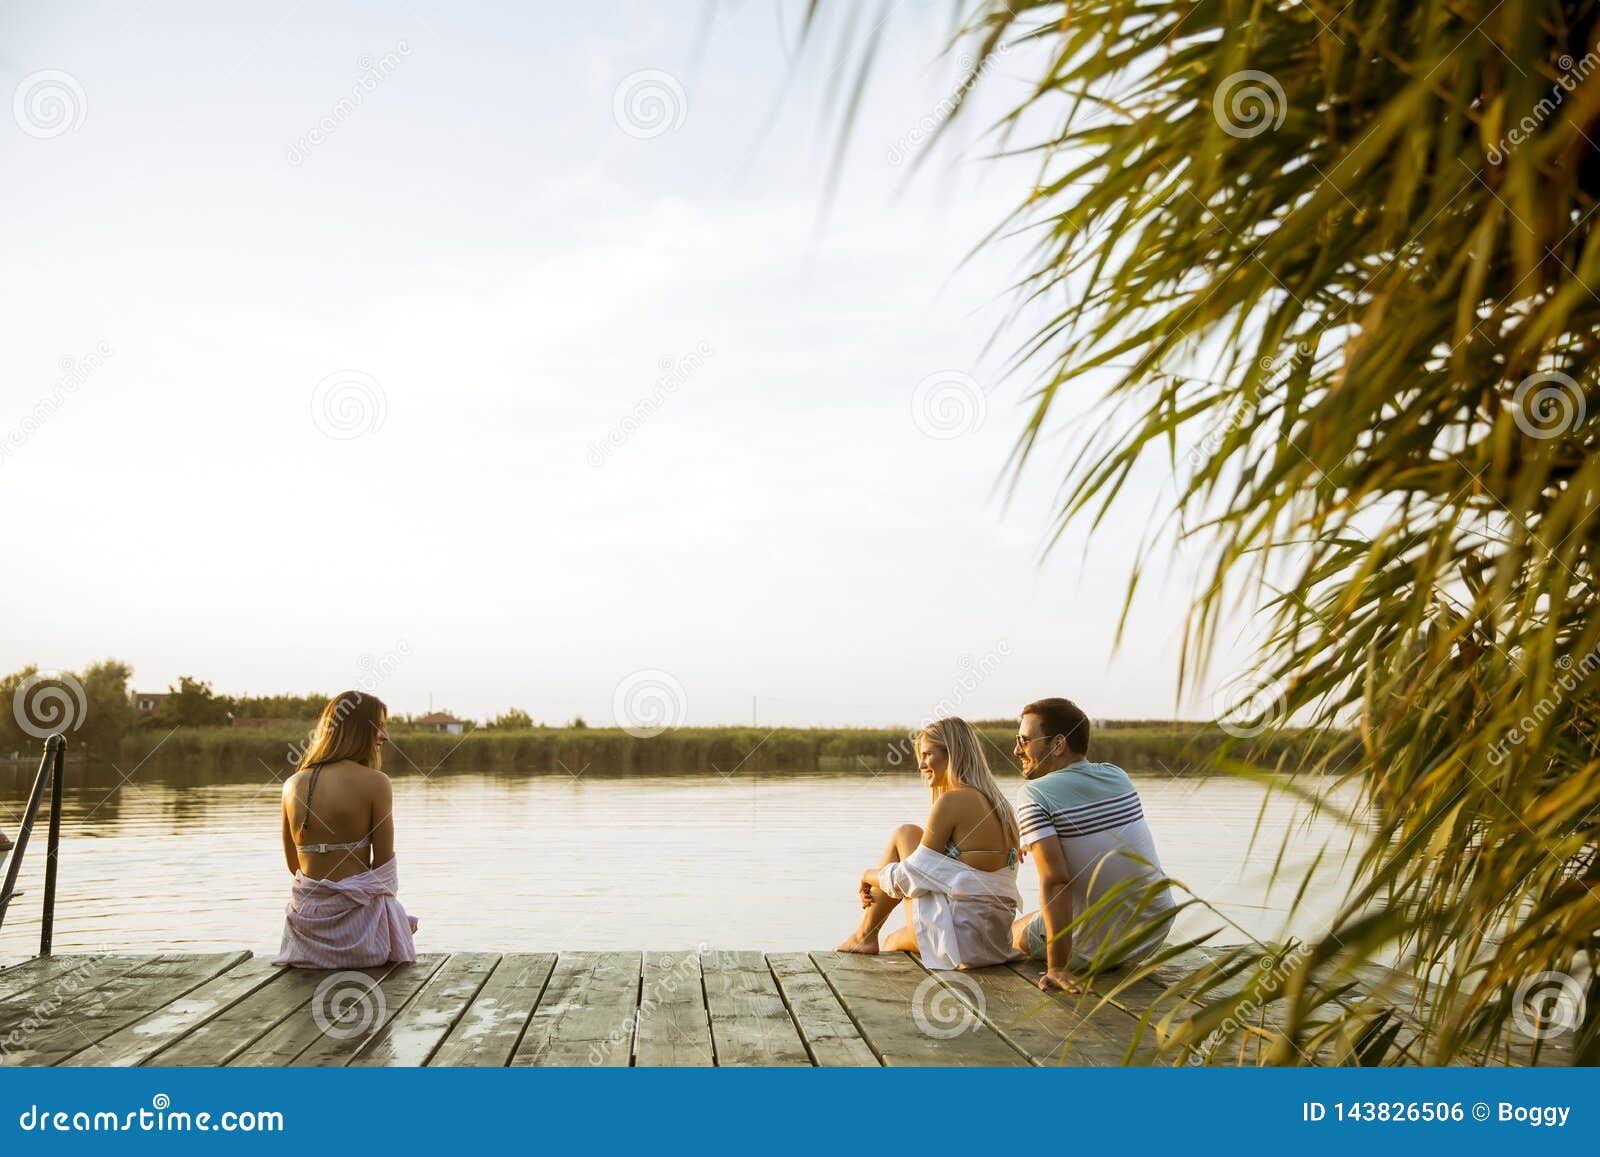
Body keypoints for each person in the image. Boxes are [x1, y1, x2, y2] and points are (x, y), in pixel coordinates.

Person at [1010, 697, 1175, 992]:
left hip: (1095, 947)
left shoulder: (1034, 794)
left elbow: (1056, 880)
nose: (1016, 750)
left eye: (1024, 741)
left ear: (1058, 744)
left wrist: (1056, 967)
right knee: (1038, 918)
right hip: (1153, 928)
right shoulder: (1117, 775)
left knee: (1011, 934)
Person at [836, 717, 1023, 969]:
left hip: (960, 945)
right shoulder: (1002, 807)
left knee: (904, 834)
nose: (921, 765)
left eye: (927, 755)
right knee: (895, 939)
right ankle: (867, 937)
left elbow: (909, 877)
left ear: (953, 754)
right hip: (994, 942)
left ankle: (864, 936)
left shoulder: (952, 801)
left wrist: (868, 875)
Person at [274, 691, 418, 968]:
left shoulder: (291, 784)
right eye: (379, 726)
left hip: (305, 942)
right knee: (390, 902)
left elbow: (295, 866)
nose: (384, 737)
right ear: (358, 730)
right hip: (361, 944)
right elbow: (384, 867)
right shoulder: (376, 782)